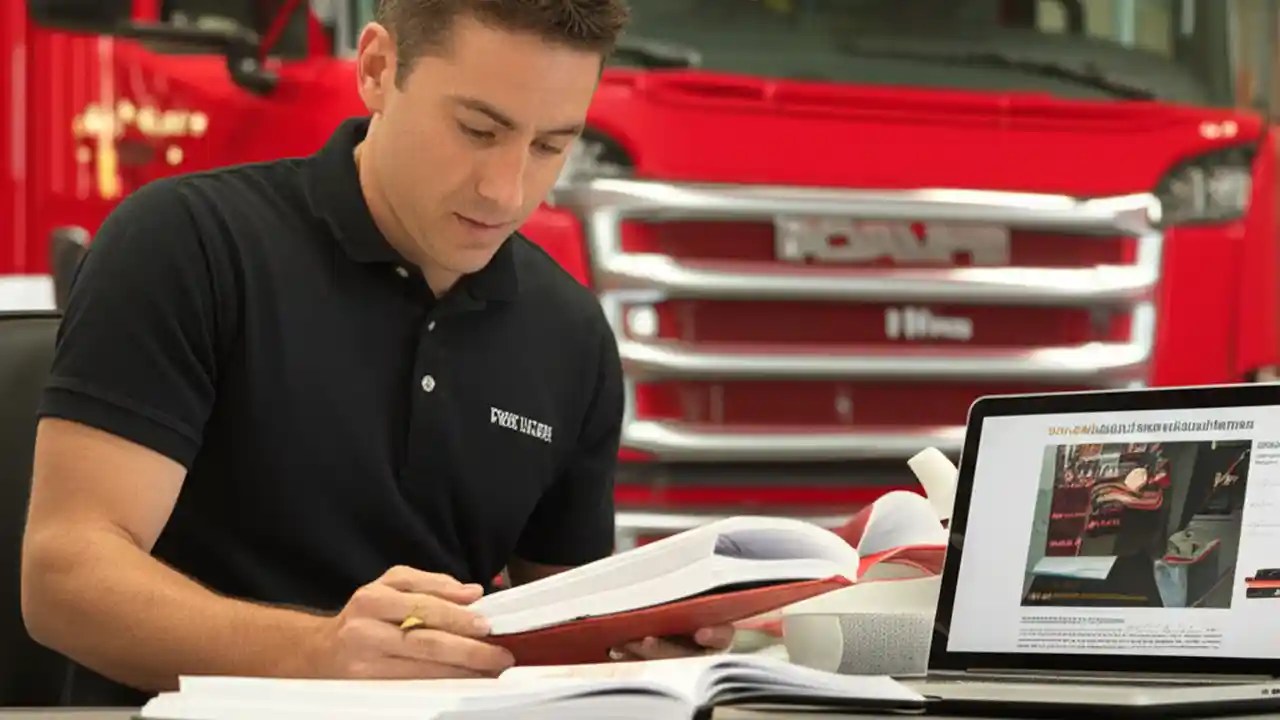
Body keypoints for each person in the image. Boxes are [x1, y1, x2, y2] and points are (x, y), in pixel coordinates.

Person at [20, 0, 734, 706]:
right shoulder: (187, 246)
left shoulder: (571, 334)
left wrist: (636, 641)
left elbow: (562, 624)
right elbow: (63, 581)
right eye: (477, 129)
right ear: (377, 69)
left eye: (552, 145)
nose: (507, 190)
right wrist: (317, 653)